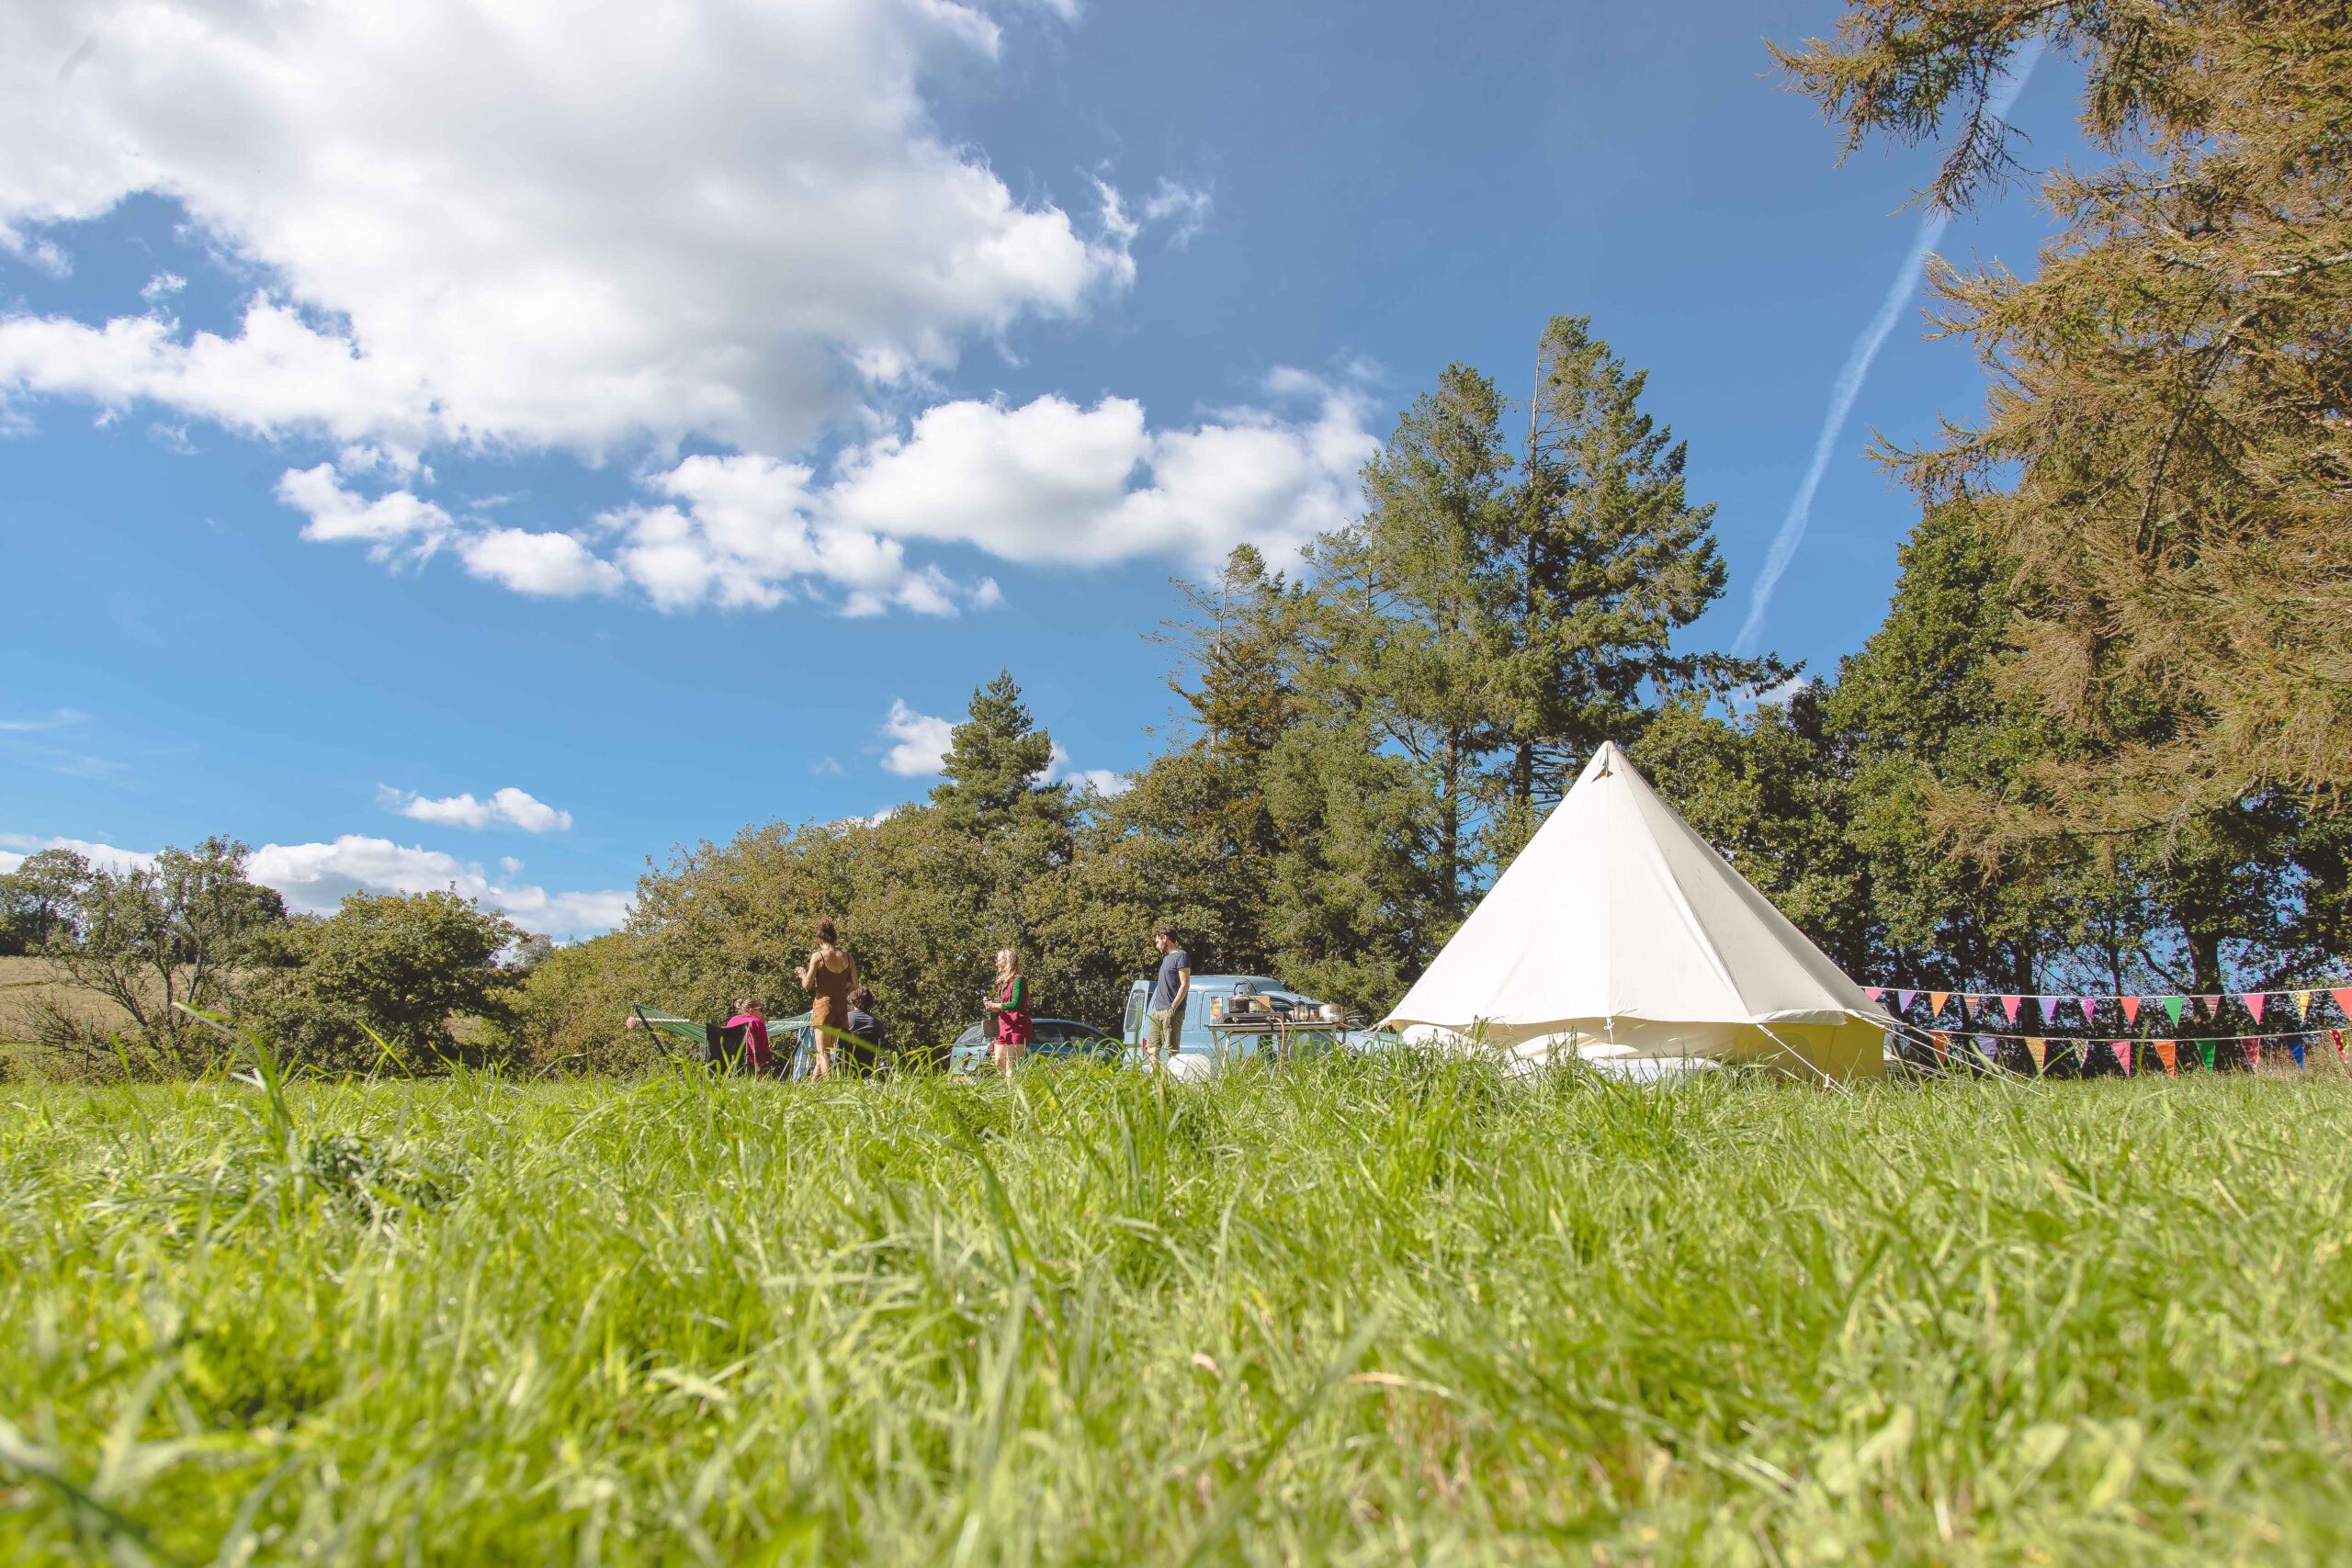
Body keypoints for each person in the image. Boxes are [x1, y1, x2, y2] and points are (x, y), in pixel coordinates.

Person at [797, 919, 856, 1080]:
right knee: (828, 1052)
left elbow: (807, 985)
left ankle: (830, 1085)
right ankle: (811, 1087)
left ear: (819, 940)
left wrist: (802, 974)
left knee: (821, 1053)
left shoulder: (818, 957)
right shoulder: (848, 958)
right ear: (835, 939)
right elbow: (855, 984)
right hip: (841, 1005)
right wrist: (842, 991)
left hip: (823, 1005)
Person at [1145, 924, 1189, 1076]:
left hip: (1171, 1011)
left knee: (1172, 1050)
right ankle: (1152, 1081)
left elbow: (1185, 984)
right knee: (1152, 1048)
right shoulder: (1166, 959)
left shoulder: (1181, 955)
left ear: (1165, 938)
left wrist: (1173, 1007)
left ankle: (1175, 1082)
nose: (1157, 946)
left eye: (1158, 942)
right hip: (1157, 1010)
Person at [982, 946, 1032, 1077]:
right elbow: (1003, 1005)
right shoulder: (1003, 983)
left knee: (1011, 1065)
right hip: (1003, 1024)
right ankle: (1007, 1090)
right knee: (999, 1061)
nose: (996, 963)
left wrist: (996, 1005)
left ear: (1007, 961)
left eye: (998, 960)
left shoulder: (1018, 980)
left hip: (1018, 1024)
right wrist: (992, 1006)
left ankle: (1013, 1094)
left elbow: (1015, 1004)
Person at [841, 986, 885, 1077]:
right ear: (870, 1002)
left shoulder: (845, 1019)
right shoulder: (878, 1023)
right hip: (868, 1068)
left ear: (852, 1000)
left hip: (846, 1067)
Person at [724, 998, 772, 1076]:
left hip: (729, 1062)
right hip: (749, 1063)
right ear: (751, 1010)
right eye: (761, 1010)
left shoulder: (732, 1020)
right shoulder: (756, 1022)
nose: (762, 1013)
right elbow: (762, 1049)